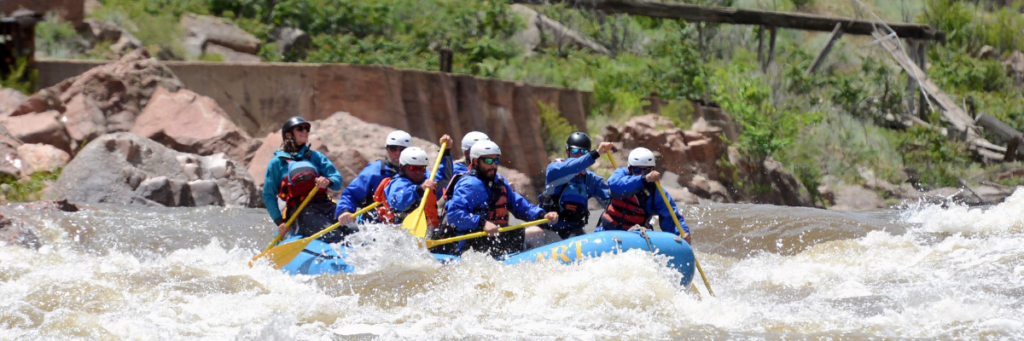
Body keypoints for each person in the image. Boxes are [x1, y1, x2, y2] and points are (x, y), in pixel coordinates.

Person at [441, 140, 559, 258]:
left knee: (537, 233)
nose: (493, 165)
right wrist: (482, 223)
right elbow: (454, 214)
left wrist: (542, 215)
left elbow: (519, 204)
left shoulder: (499, 181)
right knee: (535, 233)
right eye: (488, 160)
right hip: (473, 242)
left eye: (496, 160)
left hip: (496, 238)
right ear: (476, 161)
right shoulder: (469, 184)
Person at [335, 130, 452, 225]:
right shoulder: (374, 171)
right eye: (393, 148)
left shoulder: (420, 172)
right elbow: (351, 194)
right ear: (387, 149)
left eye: (402, 149)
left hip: (412, 223)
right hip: (377, 224)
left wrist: (446, 152)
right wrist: (345, 211)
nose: (397, 153)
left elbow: (442, 179)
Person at [263, 116, 344, 242]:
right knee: (334, 236)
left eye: (307, 128)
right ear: (289, 135)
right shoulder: (276, 163)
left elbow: (337, 180)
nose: (305, 131)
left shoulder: (316, 157)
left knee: (353, 230)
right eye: (300, 128)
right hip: (299, 211)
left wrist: (328, 181)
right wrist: (280, 222)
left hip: (325, 204)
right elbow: (268, 195)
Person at [535, 132, 614, 247]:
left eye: (584, 152)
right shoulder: (555, 170)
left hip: (574, 230)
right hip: (549, 228)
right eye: (575, 151)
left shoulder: (591, 179)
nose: (580, 155)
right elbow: (575, 165)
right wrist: (597, 153)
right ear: (567, 152)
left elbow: (612, 201)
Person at [597, 147, 691, 244]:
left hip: (635, 237)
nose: (642, 173)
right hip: (607, 231)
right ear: (630, 169)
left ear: (653, 169)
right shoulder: (621, 174)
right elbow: (614, 185)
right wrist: (644, 179)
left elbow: (671, 216)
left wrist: (682, 233)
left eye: (646, 170)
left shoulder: (656, 192)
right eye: (637, 170)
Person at [372, 147, 440, 228]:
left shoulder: (427, 181)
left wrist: (446, 152)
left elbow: (444, 179)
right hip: (400, 231)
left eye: (422, 168)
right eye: (413, 168)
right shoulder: (397, 183)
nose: (418, 172)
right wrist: (420, 189)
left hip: (429, 229)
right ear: (402, 167)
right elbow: (399, 203)